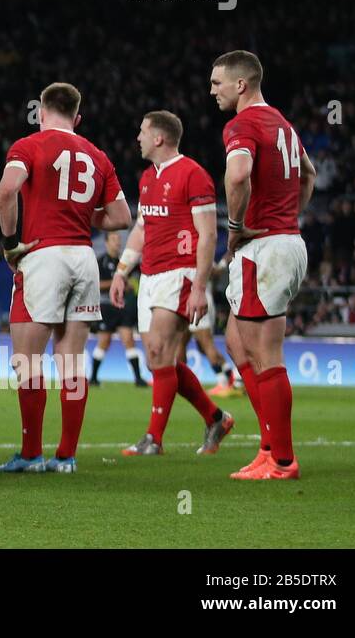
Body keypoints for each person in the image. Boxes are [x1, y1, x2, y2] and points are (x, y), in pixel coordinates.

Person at [0, 82, 130, 475]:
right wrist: (86, 215)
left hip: (43, 255)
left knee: (27, 360)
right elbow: (121, 217)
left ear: (41, 112)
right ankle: (66, 456)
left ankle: (32, 454)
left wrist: (10, 244)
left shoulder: (28, 146)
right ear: (78, 118)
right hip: (84, 257)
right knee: (71, 361)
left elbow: (6, 191)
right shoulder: (97, 155)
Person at [210, 50, 314, 480]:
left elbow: (238, 175)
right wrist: (290, 217)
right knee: (236, 340)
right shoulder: (282, 124)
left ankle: (283, 460)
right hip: (280, 240)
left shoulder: (243, 124)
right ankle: (269, 445)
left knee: (266, 353)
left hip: (265, 246)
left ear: (241, 85)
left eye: (217, 83)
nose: (212, 90)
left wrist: (235, 225)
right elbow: (307, 174)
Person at [110, 110, 235, 456]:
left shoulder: (193, 175)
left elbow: (208, 234)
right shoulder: (148, 178)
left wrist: (198, 285)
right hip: (148, 274)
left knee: (159, 352)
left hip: (179, 273)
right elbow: (141, 228)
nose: (138, 138)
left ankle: (154, 439)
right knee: (157, 360)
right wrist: (122, 271)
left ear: (159, 138)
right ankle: (216, 417)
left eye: (142, 131)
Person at [92, 231, 146, 387]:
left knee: (128, 339)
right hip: (106, 306)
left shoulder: (124, 263)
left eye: (119, 239)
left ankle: (138, 378)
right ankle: (93, 378)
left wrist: (129, 285)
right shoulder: (100, 261)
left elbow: (135, 280)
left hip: (122, 306)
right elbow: (96, 285)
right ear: (107, 242)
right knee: (104, 341)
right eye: (114, 239)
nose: (117, 242)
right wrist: (117, 282)